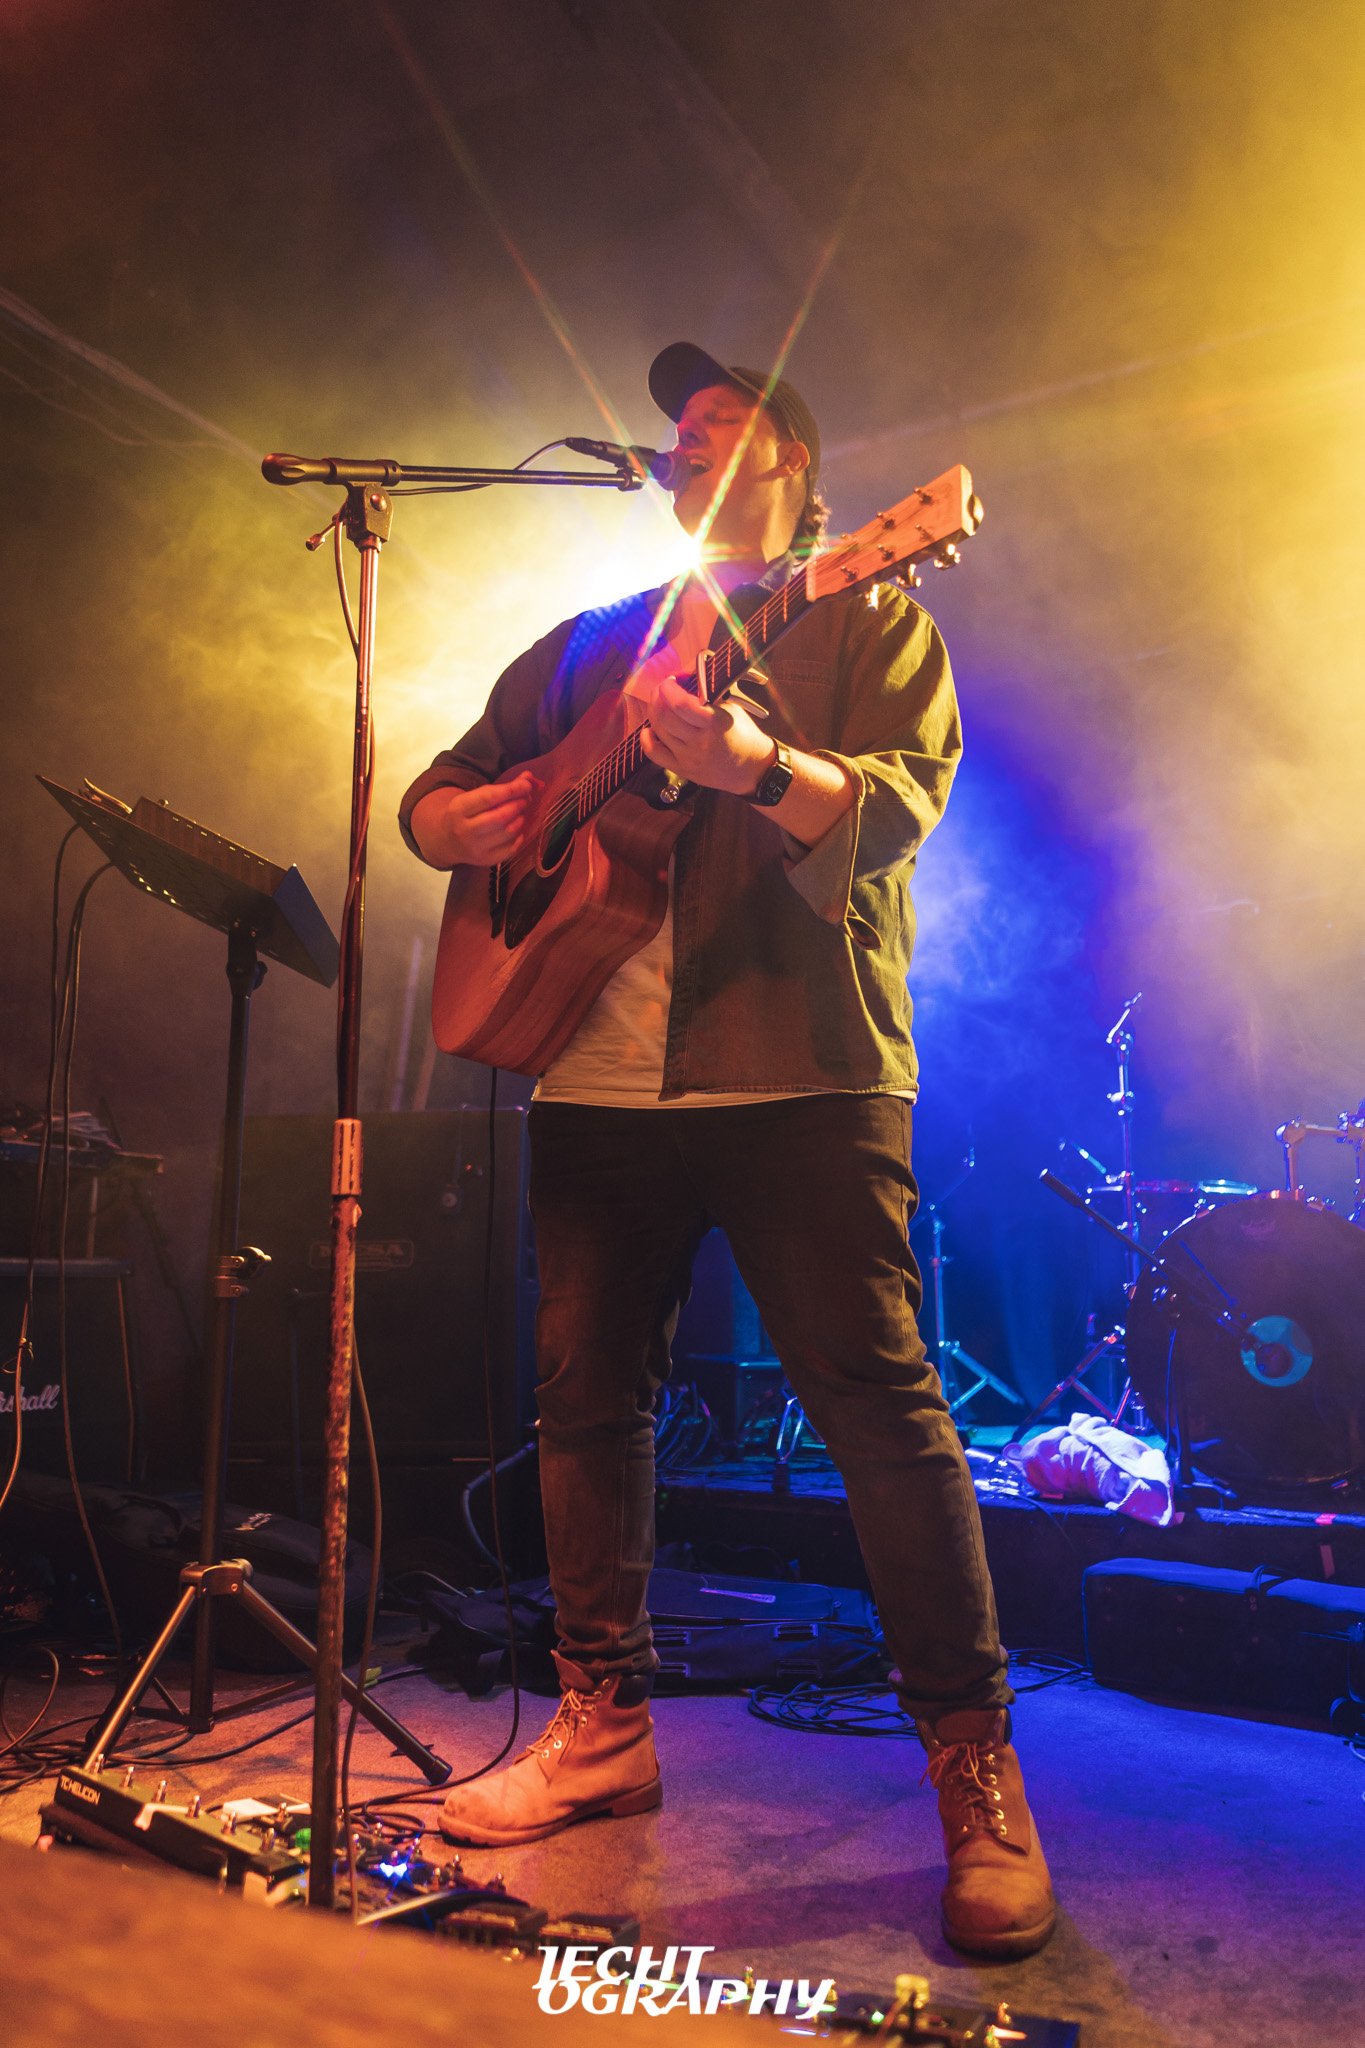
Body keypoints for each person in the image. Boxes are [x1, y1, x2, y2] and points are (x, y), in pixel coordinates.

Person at [398, 342, 1055, 1959]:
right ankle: (599, 1733)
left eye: (718, 427)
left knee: (881, 1417)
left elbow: (896, 816)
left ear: (800, 464)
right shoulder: (592, 645)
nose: (682, 452)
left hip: (803, 1078)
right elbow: (444, 788)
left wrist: (751, 764)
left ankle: (976, 1775)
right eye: (672, 436)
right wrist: (454, 829)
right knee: (581, 1405)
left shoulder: (872, 609)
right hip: (588, 1079)